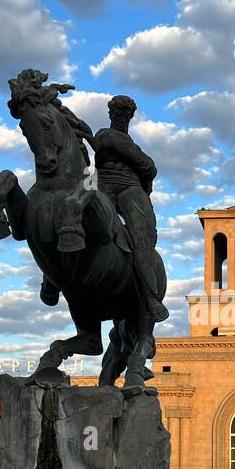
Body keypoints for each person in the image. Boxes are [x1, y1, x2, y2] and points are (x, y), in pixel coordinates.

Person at [92, 95, 169, 321]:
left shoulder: (125, 141)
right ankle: (52, 277)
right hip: (105, 186)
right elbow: (148, 166)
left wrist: (144, 167)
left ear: (131, 116)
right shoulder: (106, 136)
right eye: (117, 112)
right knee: (79, 214)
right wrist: (142, 163)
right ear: (110, 114)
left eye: (125, 113)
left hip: (130, 189)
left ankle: (150, 297)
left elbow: (150, 169)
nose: (121, 116)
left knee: (142, 239)